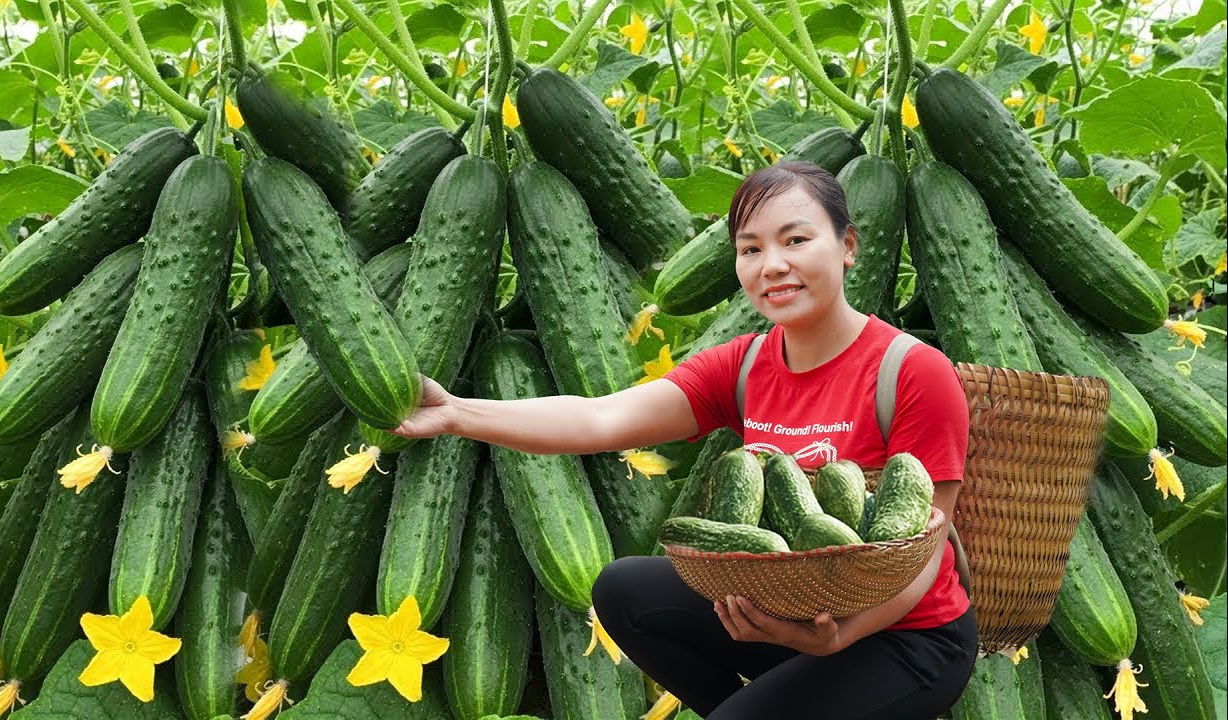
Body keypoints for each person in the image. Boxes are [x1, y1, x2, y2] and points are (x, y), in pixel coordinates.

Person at [391, 161, 978, 719]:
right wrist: (458, 413)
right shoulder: (742, 366)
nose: (772, 264)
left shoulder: (913, 372)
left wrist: (837, 638)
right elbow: (599, 420)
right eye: (751, 249)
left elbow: (922, 556)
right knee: (624, 591)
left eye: (796, 241)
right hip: (789, 612)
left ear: (848, 246)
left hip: (904, 636)